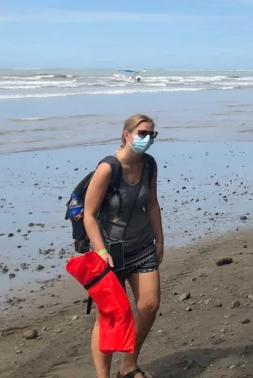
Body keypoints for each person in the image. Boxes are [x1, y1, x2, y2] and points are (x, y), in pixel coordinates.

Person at [83, 114, 163, 378]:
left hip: (142, 246)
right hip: (110, 252)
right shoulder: (108, 168)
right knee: (108, 318)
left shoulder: (149, 165)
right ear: (126, 135)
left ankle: (128, 365)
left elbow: (152, 203)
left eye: (151, 134)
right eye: (142, 133)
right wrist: (101, 251)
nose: (147, 139)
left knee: (149, 306)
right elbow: (89, 215)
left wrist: (160, 240)